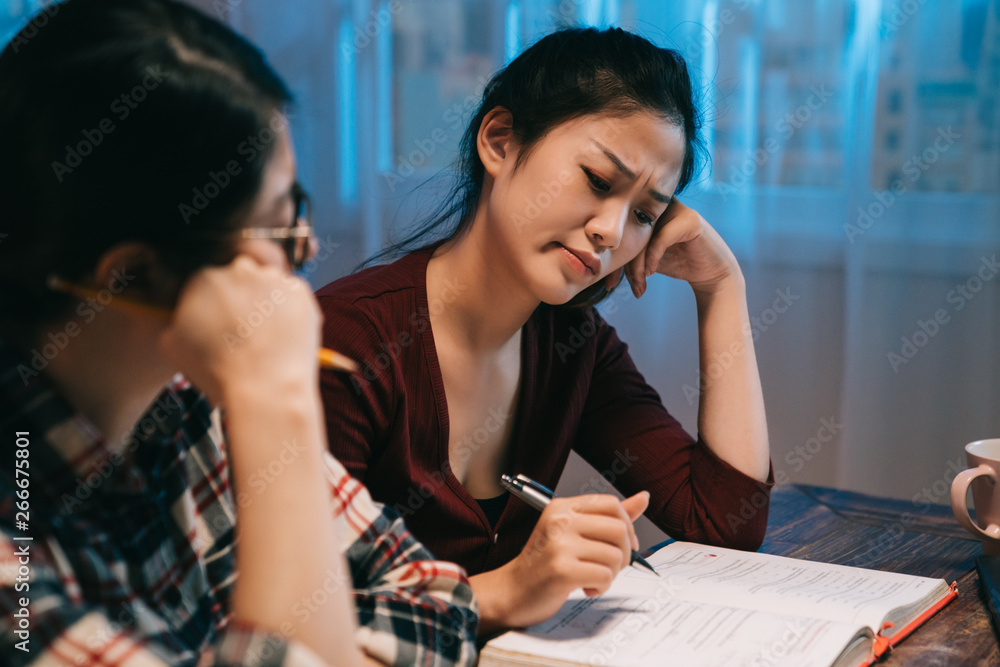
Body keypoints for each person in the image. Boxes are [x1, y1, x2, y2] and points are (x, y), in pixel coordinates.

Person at [0, 1, 477, 665]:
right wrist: (275, 402)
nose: (303, 253)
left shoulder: (190, 402)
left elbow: (437, 596)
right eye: (280, 230)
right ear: (133, 275)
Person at [316, 26, 773, 635]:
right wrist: (508, 590)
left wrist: (721, 287)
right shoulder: (347, 342)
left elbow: (725, 521)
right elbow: (293, 620)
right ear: (500, 142)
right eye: (597, 181)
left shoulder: (570, 340)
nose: (612, 232)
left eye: (645, 214)